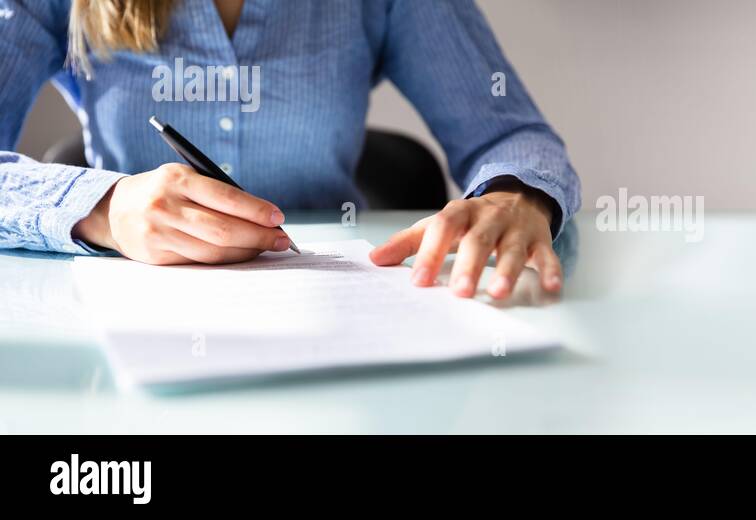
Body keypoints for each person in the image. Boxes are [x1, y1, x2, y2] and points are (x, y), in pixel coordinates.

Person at [0, 0, 580, 300]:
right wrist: (107, 209)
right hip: (129, 313)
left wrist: (514, 195)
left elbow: (511, 135)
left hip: (337, 310)